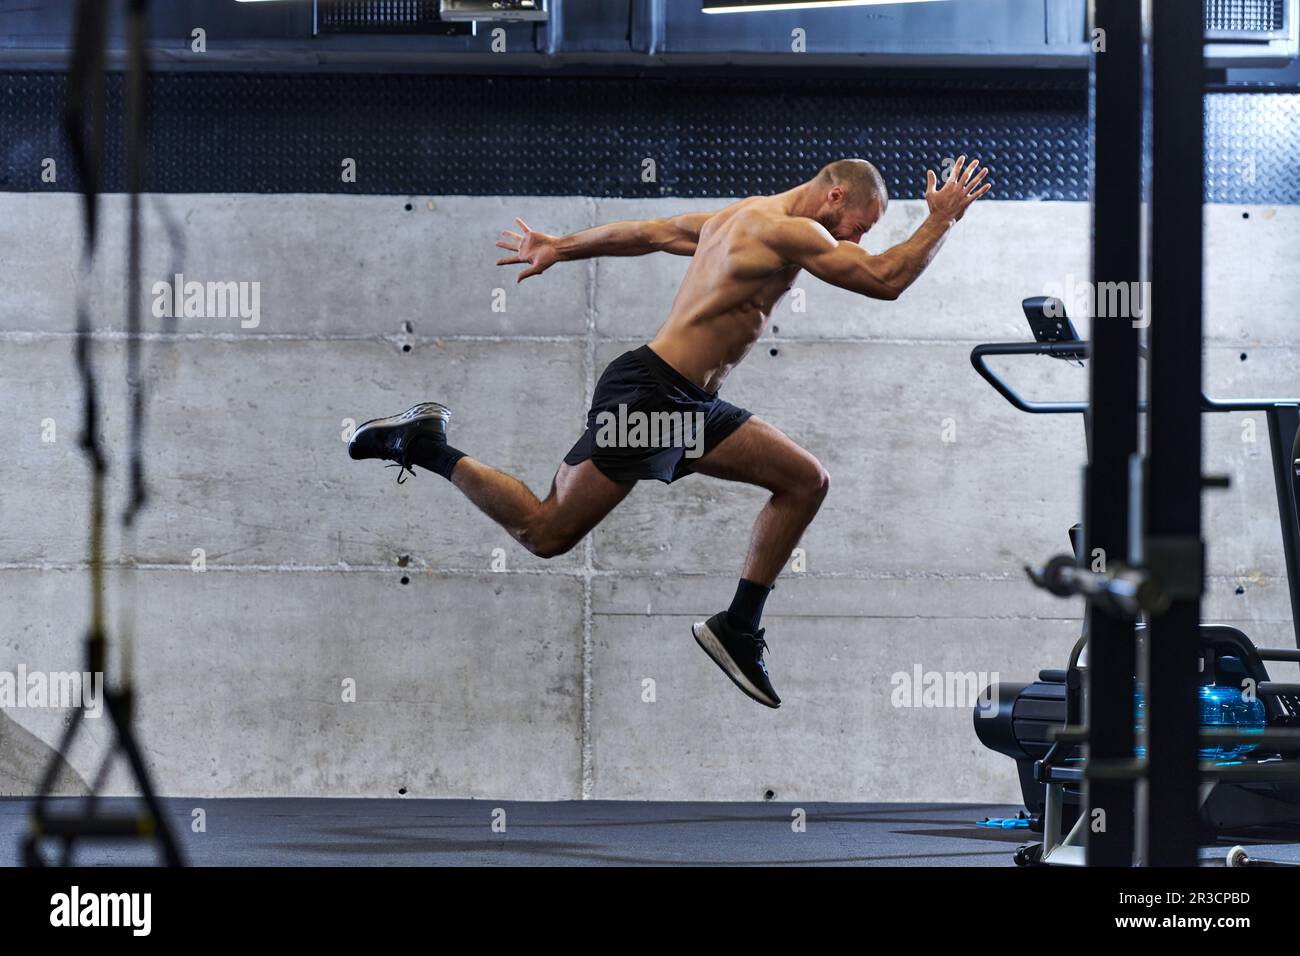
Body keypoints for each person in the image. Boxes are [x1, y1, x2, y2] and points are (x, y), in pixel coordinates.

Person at [349, 156, 991, 708]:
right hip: (653, 397)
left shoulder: (740, 218)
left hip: (677, 397)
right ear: (835, 196)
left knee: (803, 481)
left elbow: (648, 233)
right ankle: (424, 445)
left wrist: (561, 246)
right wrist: (943, 218)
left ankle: (739, 625)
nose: (861, 238)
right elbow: (885, 280)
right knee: (548, 533)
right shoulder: (787, 230)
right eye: (863, 224)